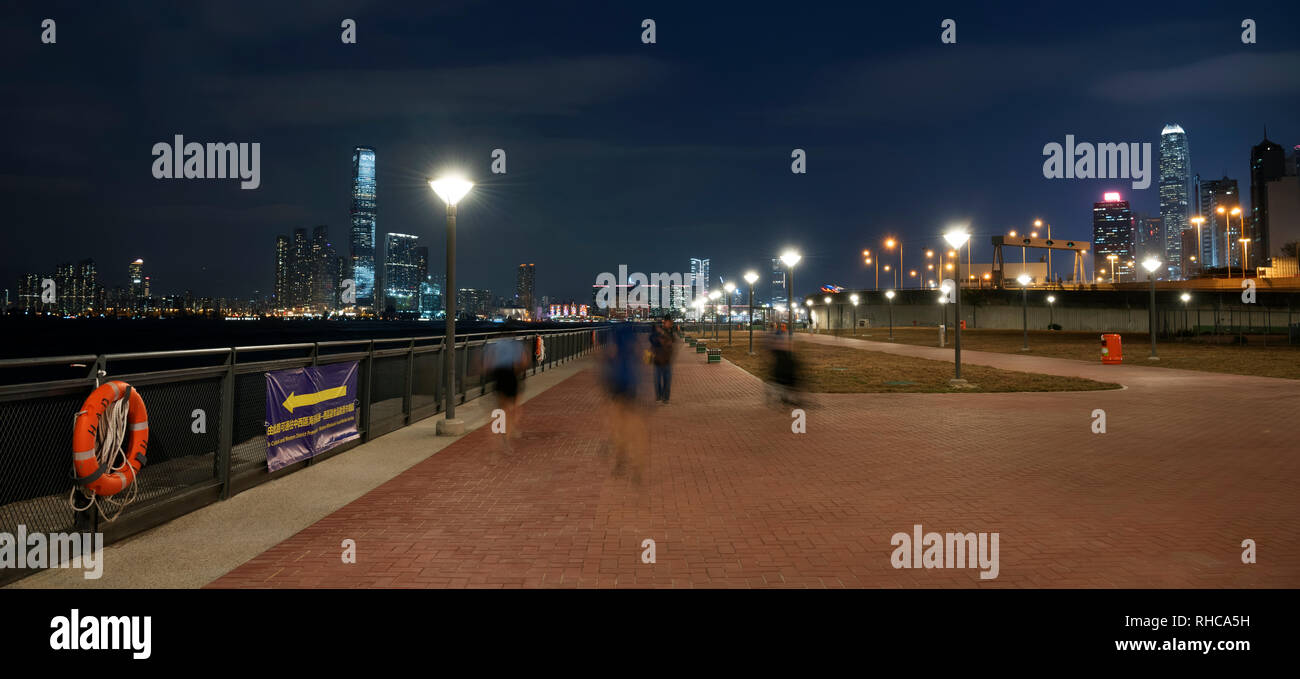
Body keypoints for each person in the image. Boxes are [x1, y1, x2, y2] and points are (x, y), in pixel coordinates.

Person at [486, 337, 528, 442]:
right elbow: (523, 362)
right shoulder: (517, 345)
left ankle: (501, 428)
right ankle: (509, 430)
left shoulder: (496, 344)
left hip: (499, 375)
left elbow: (488, 363)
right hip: (511, 374)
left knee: (502, 406)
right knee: (514, 407)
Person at [648, 314, 678, 403]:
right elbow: (651, 339)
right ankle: (659, 396)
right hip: (657, 360)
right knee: (657, 381)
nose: (670, 324)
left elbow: (672, 340)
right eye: (668, 322)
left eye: (671, 323)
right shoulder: (657, 331)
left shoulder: (670, 332)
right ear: (665, 322)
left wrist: (664, 335)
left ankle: (666, 398)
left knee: (667, 382)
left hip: (667, 360)